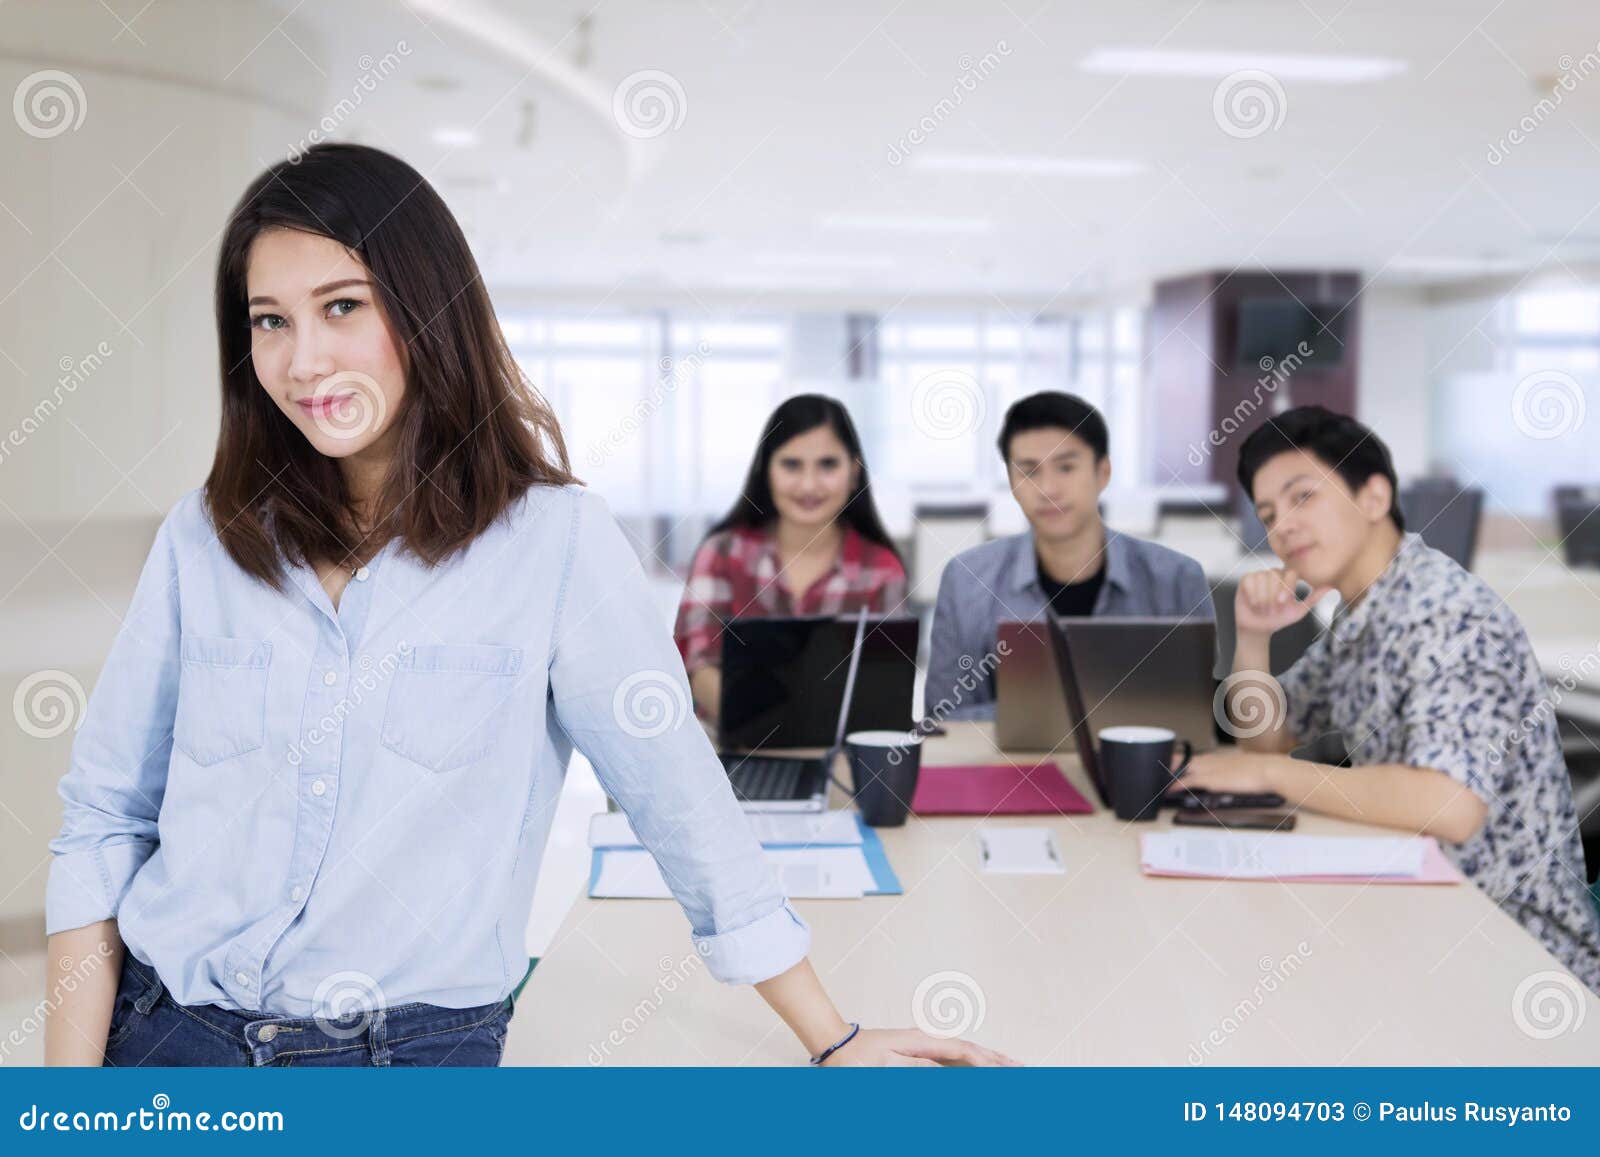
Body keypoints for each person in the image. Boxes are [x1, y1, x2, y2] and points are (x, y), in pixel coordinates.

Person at [42, 144, 1014, 1068]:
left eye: (342, 305)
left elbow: (677, 796)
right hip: (167, 1035)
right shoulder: (204, 538)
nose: (302, 360)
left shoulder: (552, 543)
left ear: (428, 309)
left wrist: (832, 1034)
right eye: (269, 320)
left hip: (404, 1057)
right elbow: (104, 818)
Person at [1182, 405, 1600, 991]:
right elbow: (1269, 734)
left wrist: (1272, 774)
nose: (1283, 528)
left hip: (1514, 957)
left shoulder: (1446, 612)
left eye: (1304, 497)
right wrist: (1252, 635)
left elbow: (1447, 804)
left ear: (1374, 498)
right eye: (1269, 514)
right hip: (1419, 913)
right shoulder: (1364, 615)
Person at [926, 391, 1213, 721]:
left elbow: (1197, 714)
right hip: (1005, 768)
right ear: (1011, 481)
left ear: (1102, 472)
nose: (1048, 489)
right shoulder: (967, 580)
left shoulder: (1176, 579)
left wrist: (1043, 713)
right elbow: (944, 719)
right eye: (1030, 472)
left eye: (1066, 467)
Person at [675, 394, 908, 723]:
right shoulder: (722, 554)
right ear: (766, 469)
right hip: (733, 751)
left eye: (827, 465)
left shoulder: (882, 570)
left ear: (853, 472)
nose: (808, 485)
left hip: (839, 754)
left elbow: (882, 686)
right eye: (791, 465)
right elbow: (699, 668)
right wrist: (774, 729)